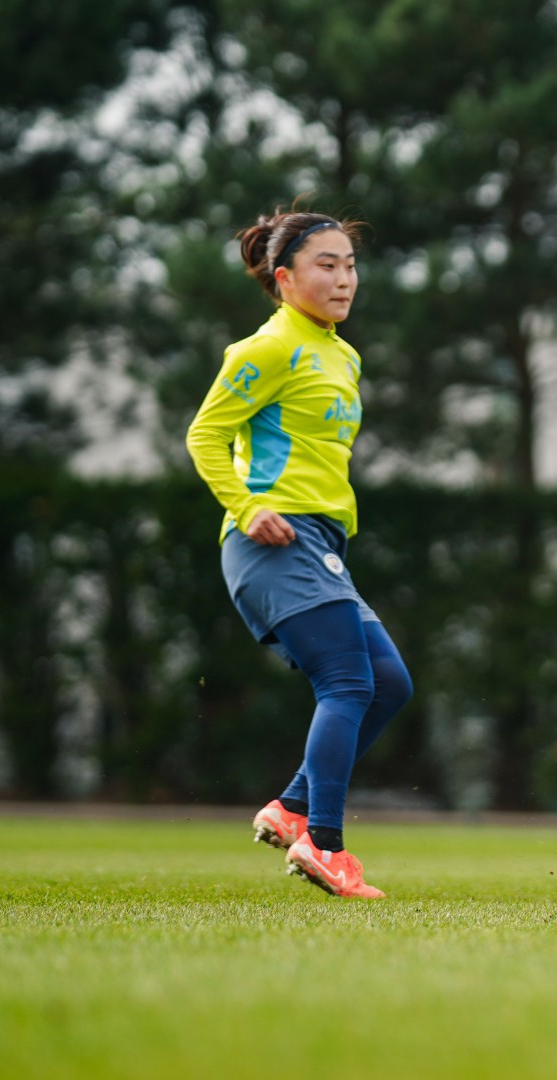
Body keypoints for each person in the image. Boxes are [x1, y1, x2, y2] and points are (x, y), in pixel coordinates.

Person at [185, 206, 410, 899]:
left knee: (389, 682)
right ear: (284, 279)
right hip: (271, 542)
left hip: (322, 543)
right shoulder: (266, 349)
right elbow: (204, 436)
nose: (344, 279)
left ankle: (291, 807)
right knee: (346, 683)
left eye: (349, 264)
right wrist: (248, 507)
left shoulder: (342, 354)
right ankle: (325, 843)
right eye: (326, 265)